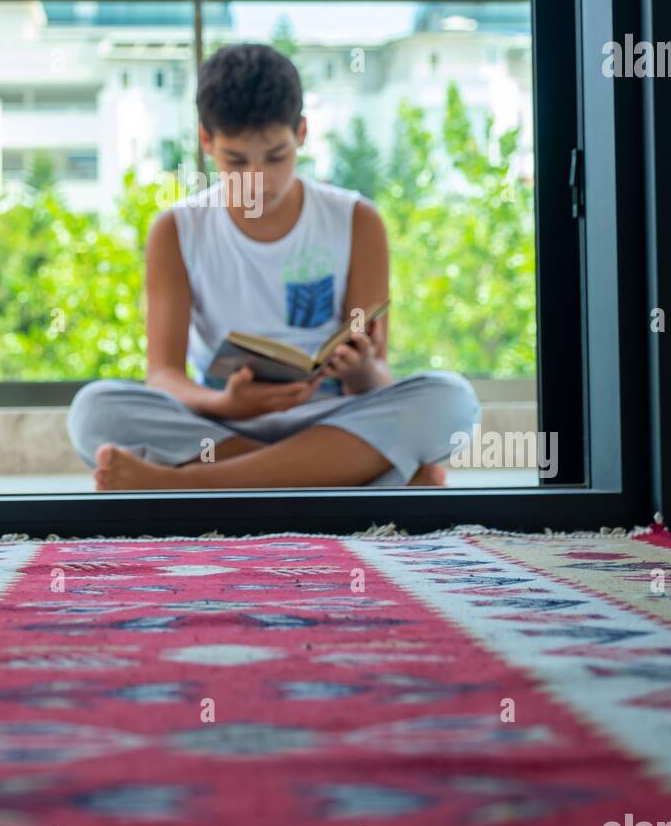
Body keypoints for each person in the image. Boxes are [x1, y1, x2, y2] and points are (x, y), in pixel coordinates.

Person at [67, 42, 480, 492]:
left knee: (451, 400)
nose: (258, 181)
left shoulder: (357, 220)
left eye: (277, 157)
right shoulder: (176, 229)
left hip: (329, 415)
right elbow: (164, 375)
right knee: (95, 410)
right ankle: (361, 476)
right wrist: (226, 404)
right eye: (237, 161)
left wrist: (360, 369)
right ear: (207, 142)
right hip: (224, 421)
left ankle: (190, 488)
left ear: (301, 132)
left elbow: (376, 375)